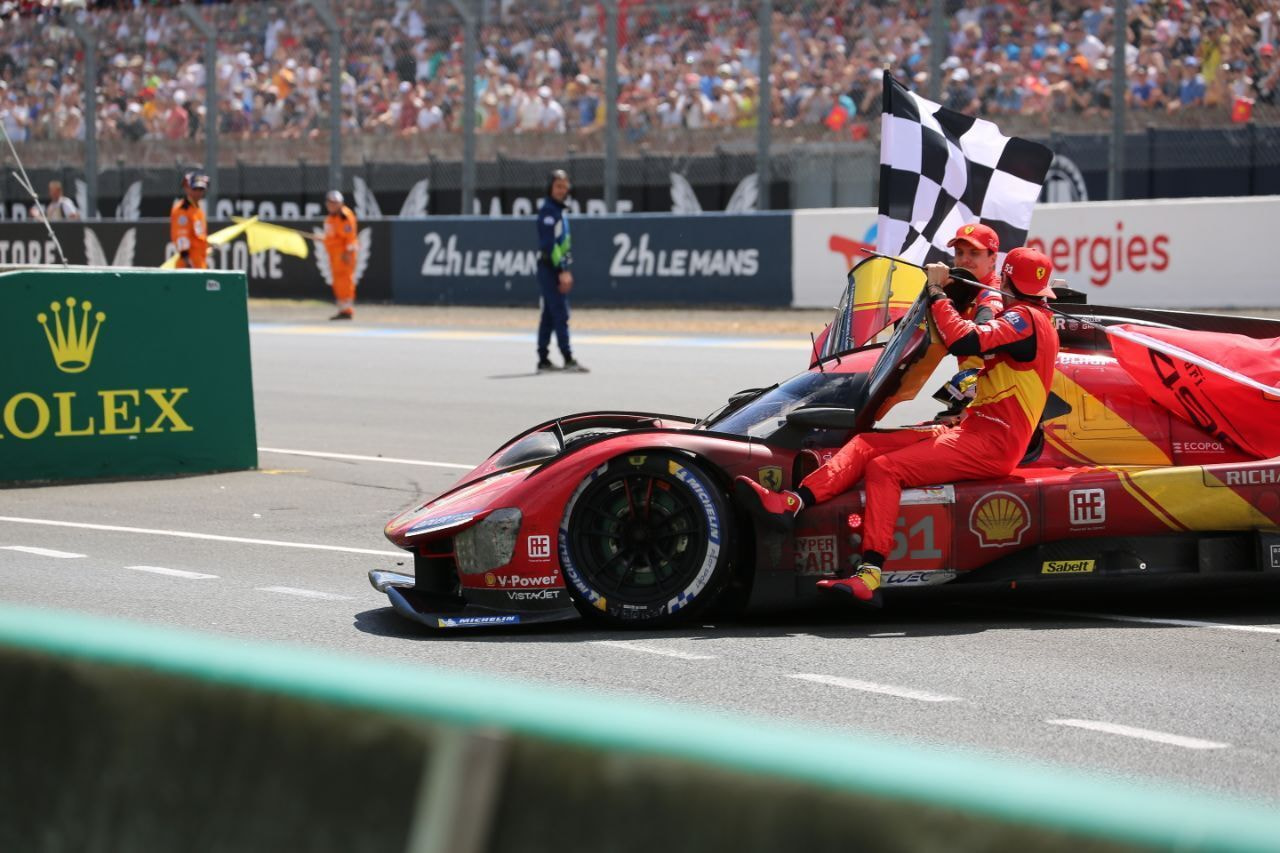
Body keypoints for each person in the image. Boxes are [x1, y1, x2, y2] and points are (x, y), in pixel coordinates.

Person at [735, 247, 1059, 606]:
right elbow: (982, 332)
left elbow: (965, 340)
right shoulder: (1029, 316)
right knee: (865, 446)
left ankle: (869, 573)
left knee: (885, 470)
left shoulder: (1025, 319)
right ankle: (792, 502)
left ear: (1009, 277)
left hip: (992, 442)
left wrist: (936, 293)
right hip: (975, 429)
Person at [934, 222, 1004, 418]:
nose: (964, 260)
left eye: (974, 253)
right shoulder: (961, 289)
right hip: (973, 390)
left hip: (993, 400)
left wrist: (937, 295)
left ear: (993, 259)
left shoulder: (992, 291)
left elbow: (978, 336)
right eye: (959, 252)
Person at [535, 169, 587, 373]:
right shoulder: (549, 211)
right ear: (550, 188)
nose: (562, 190)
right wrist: (562, 270)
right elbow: (549, 245)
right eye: (558, 186)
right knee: (560, 313)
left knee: (549, 315)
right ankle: (568, 358)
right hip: (550, 268)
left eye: (565, 186)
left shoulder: (559, 210)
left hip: (554, 267)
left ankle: (543, 360)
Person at [323, 190, 359, 320]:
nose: (333, 205)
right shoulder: (329, 219)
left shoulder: (345, 216)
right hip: (334, 255)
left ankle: (347, 309)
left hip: (344, 255)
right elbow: (332, 237)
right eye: (330, 202)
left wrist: (348, 253)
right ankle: (342, 309)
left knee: (345, 280)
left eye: (335, 203)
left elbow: (350, 237)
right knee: (337, 281)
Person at [170, 171, 209, 269]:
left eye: (201, 189)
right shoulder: (182, 209)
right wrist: (187, 261)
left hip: (199, 263)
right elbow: (181, 236)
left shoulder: (198, 209)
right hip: (188, 265)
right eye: (195, 189)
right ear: (187, 188)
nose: (199, 192)